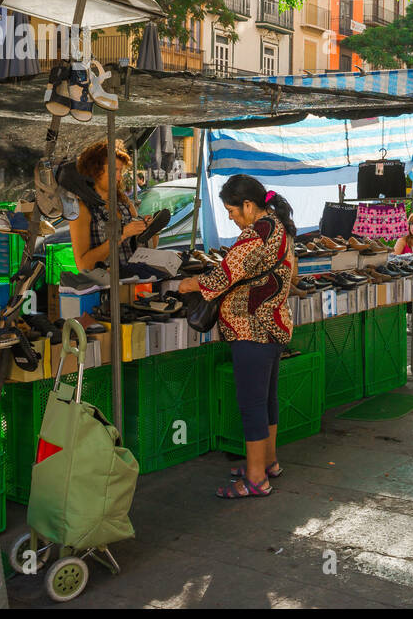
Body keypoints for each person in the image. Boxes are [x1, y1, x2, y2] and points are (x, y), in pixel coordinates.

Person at [178, 175, 296, 498]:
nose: (230, 217)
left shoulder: (259, 233)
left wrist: (187, 285)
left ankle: (256, 479)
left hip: (252, 329)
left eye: (232, 210)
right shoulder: (279, 226)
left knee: (252, 404)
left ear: (248, 205)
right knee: (266, 401)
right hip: (273, 326)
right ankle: (268, 462)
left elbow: (224, 274)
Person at [68, 139, 152, 272]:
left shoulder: (124, 202)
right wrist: (122, 235)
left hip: (132, 283)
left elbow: (143, 249)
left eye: (120, 171)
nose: (119, 177)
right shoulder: (83, 208)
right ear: (95, 170)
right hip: (103, 289)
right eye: (114, 170)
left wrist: (149, 230)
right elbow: (83, 265)